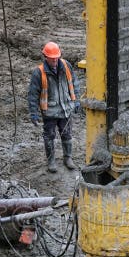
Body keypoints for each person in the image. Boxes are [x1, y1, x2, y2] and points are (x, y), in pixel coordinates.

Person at [28, 41, 81, 173]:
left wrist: (77, 101)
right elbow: (33, 95)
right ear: (46, 57)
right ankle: (51, 161)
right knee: (49, 136)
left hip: (65, 109)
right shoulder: (39, 73)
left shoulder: (66, 66)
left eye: (56, 58)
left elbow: (74, 83)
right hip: (50, 112)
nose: (55, 61)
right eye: (52, 59)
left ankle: (68, 158)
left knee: (67, 135)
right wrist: (33, 113)